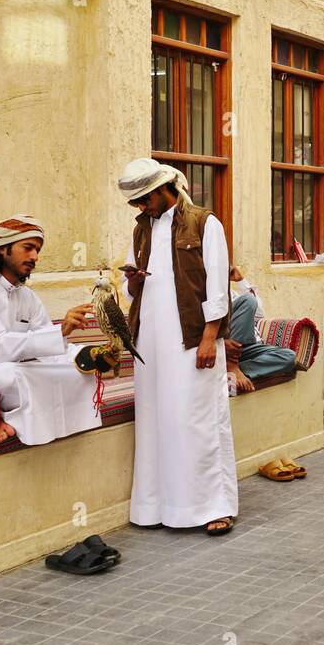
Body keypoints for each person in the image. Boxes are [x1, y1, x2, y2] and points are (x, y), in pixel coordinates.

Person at [118, 158, 237, 537]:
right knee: (156, 421)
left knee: (197, 420)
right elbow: (129, 289)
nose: (141, 207)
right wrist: (133, 283)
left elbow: (218, 288)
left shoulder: (205, 222)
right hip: (149, 342)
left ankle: (214, 506)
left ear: (164, 188)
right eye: (136, 202)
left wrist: (208, 338)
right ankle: (158, 507)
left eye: (145, 199)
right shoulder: (141, 231)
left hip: (191, 339)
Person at [0, 215, 103, 446]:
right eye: (28, 248)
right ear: (3, 249)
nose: (35, 256)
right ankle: (3, 420)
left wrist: (91, 354)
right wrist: (60, 331)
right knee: (17, 377)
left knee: (76, 374)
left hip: (3, 367)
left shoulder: (27, 296)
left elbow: (48, 348)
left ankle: (10, 420)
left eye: (37, 250)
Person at [224, 266, 297, 394]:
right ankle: (231, 364)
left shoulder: (233, 294)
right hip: (229, 347)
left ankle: (236, 370)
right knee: (248, 300)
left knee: (289, 357)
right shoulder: (211, 296)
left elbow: (259, 314)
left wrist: (240, 281)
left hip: (248, 347)